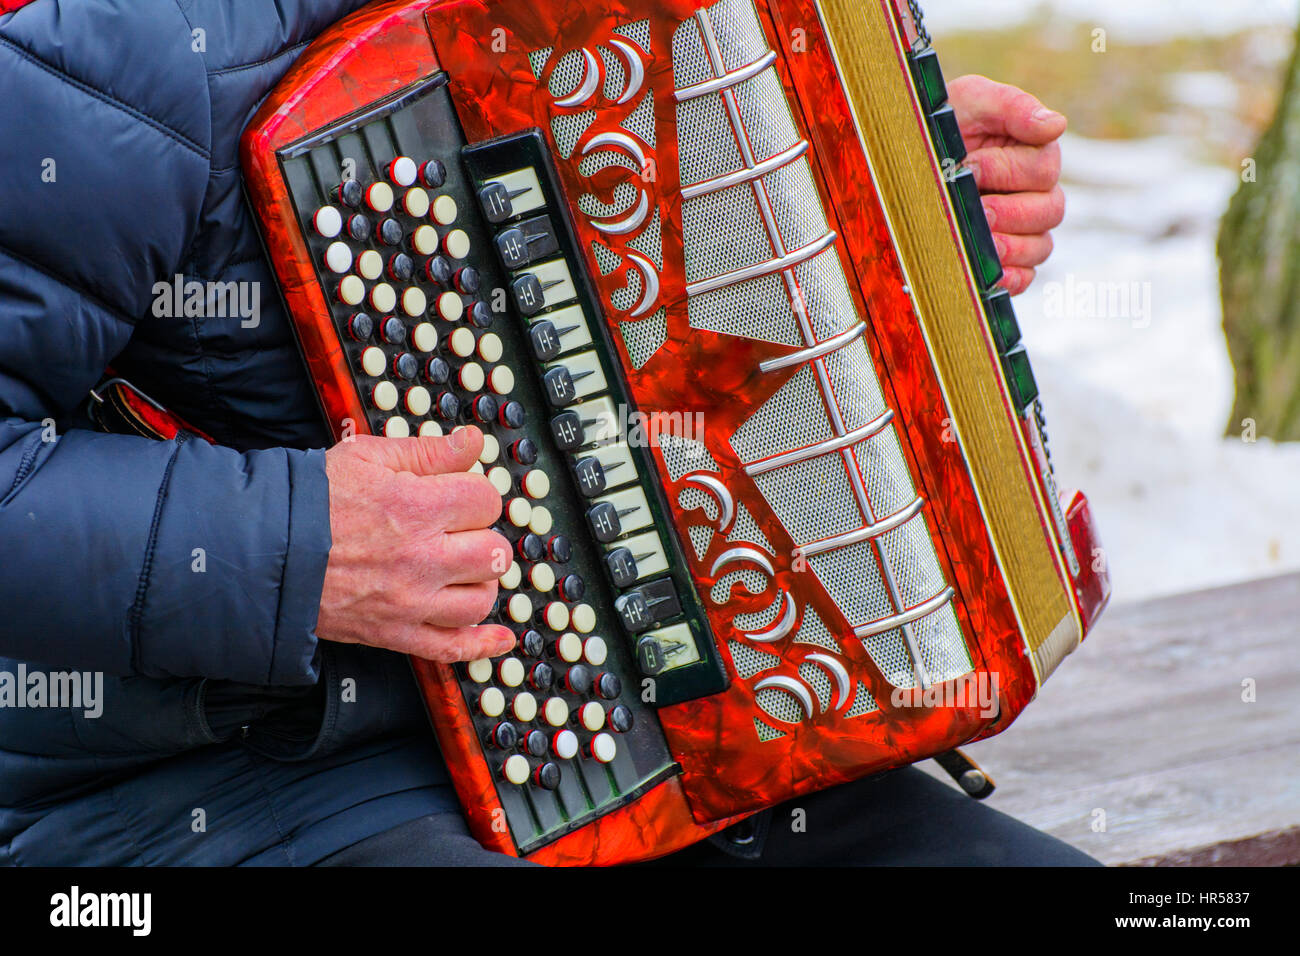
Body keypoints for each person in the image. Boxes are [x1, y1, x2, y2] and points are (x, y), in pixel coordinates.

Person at [0, 0, 1083, 866]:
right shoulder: (115, 52)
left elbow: (674, 326)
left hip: (682, 725)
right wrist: (304, 544)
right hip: (240, 777)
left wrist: (892, 205)